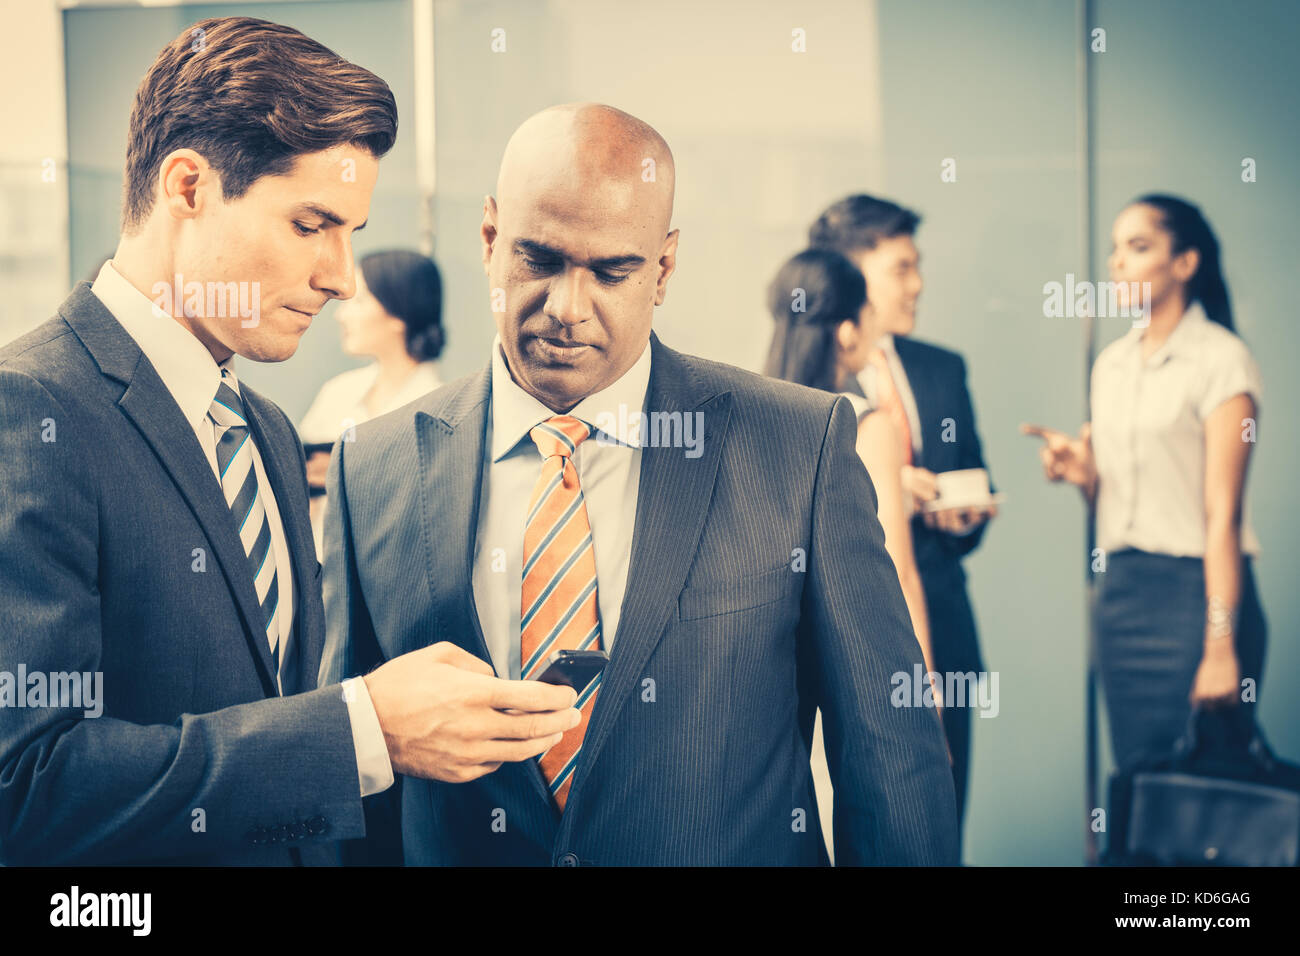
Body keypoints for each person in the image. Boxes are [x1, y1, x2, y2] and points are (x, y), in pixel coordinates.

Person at [0, 16, 577, 866]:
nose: (341, 277)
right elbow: (27, 788)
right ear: (188, 187)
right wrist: (362, 729)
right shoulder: (30, 411)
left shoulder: (264, 431)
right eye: (312, 225)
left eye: (352, 234)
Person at [320, 103, 959, 866]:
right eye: (540, 260)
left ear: (663, 269)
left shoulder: (798, 445)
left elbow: (891, 761)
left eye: (611, 271)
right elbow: (350, 784)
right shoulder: (375, 465)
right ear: (490, 241)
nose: (566, 307)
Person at [1023, 194, 1266, 771]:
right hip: (1122, 596)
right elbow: (1121, 502)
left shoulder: (1222, 360)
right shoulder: (1111, 364)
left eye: (1138, 247)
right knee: (1140, 785)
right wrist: (1085, 476)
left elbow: (1221, 515)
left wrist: (1219, 641)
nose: (1117, 263)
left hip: (1196, 594)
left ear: (1184, 263)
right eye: (1114, 249)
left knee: (1203, 788)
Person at [810, 194, 994, 846]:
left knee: (940, 817)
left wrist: (959, 513)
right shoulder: (802, 381)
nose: (917, 284)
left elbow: (976, 476)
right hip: (845, 632)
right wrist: (883, 487)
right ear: (853, 271)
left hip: (942, 623)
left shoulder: (943, 368)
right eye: (902, 267)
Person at [300, 249, 444, 554]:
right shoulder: (337, 392)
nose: (341, 314)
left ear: (398, 314)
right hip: (321, 577)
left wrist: (344, 478)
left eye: (360, 300)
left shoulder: (441, 413)